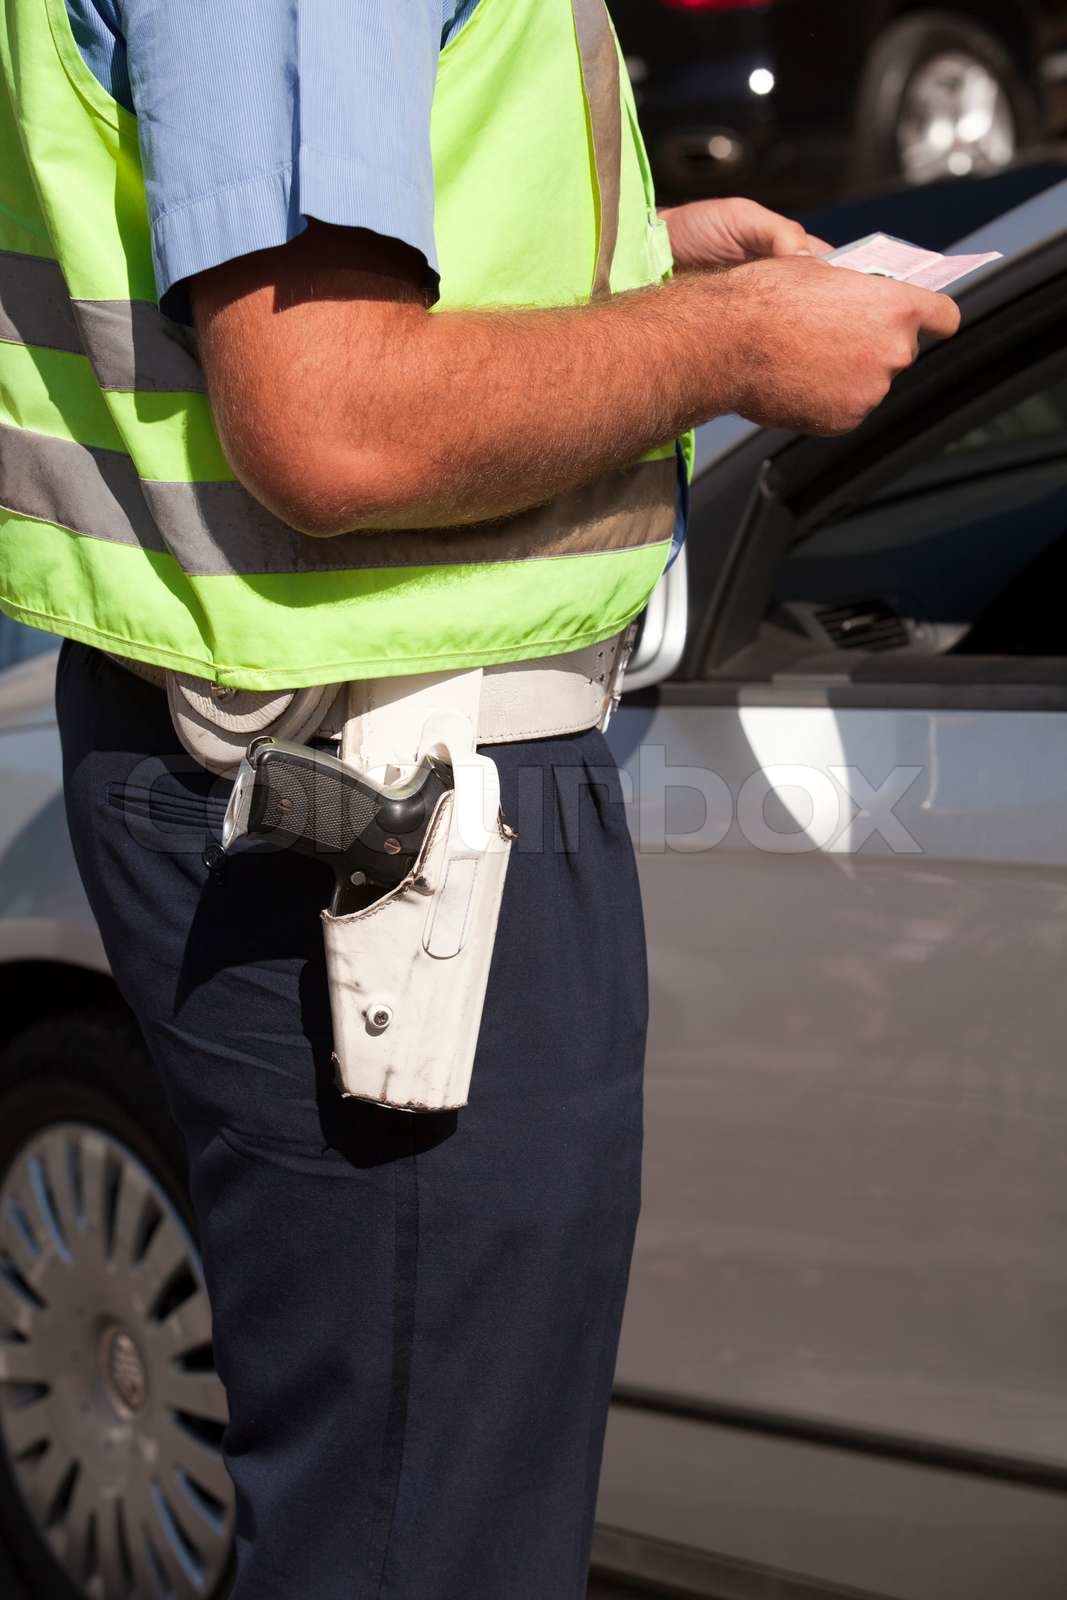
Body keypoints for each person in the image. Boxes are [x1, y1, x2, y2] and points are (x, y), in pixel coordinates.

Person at [0, 3, 960, 1596]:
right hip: (382, 800)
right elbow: (332, 413)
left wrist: (626, 262)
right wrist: (726, 348)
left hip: (351, 768)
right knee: (429, 1547)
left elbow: (262, 252)